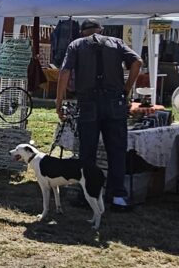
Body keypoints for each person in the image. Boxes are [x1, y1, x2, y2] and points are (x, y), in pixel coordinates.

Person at [55, 19, 142, 211]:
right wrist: (126, 90)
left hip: (88, 102)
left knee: (87, 152)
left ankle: (89, 196)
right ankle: (118, 196)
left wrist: (59, 101)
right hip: (114, 102)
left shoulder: (76, 45)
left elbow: (65, 72)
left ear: (81, 32)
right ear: (101, 29)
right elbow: (137, 62)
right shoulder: (116, 42)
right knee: (117, 151)